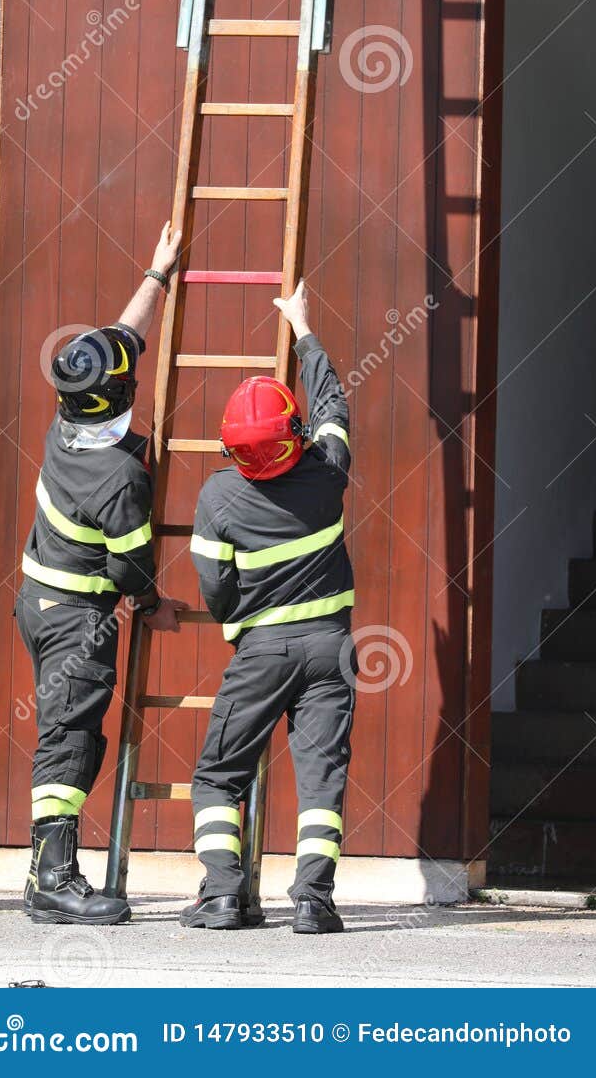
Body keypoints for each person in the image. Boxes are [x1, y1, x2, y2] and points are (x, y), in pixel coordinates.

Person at [16, 221, 186, 926]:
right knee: (70, 737)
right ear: (117, 398)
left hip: (40, 602)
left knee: (74, 732)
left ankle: (50, 873)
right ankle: (50, 882)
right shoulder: (118, 478)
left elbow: (124, 332)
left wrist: (157, 272)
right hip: (74, 621)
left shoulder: (71, 416)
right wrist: (154, 605)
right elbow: (129, 565)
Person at [182, 280, 355, 935]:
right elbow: (335, 402)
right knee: (320, 778)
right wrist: (304, 329)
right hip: (332, 649)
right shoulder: (329, 469)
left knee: (218, 775)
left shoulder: (218, 497)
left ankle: (223, 895)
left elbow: (214, 586)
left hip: (261, 651)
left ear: (234, 449)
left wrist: (238, 624)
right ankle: (313, 902)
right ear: (296, 434)